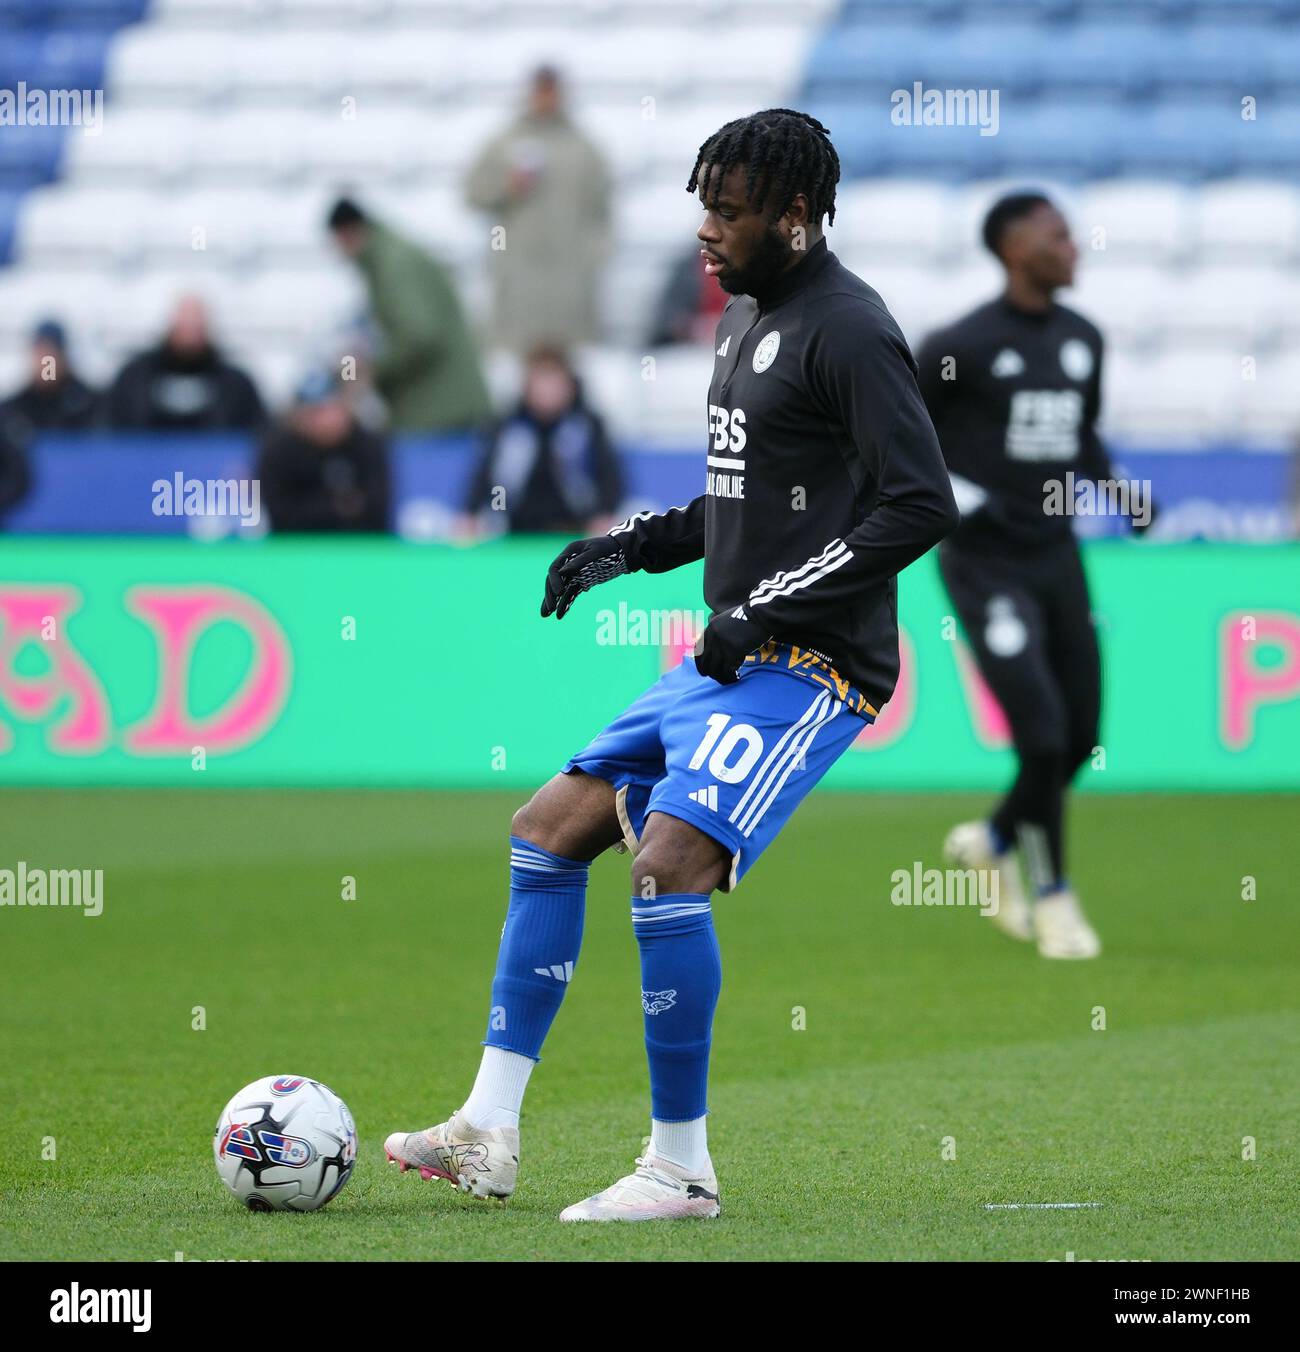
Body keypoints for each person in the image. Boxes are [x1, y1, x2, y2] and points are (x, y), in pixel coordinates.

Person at [384, 109, 958, 1221]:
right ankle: (486, 1126)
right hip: (731, 651)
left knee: (668, 866)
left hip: (813, 665)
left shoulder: (850, 328)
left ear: (794, 217)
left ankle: (680, 1167)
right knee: (545, 828)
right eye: (703, 205)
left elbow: (917, 502)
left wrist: (769, 605)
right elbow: (753, 497)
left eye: (727, 211)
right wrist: (634, 546)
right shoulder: (743, 317)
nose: (704, 230)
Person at [916, 192, 1153, 962]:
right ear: (1017, 251)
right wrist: (948, 497)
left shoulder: (1083, 338)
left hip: (1057, 556)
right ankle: (1053, 898)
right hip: (984, 562)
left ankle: (991, 839)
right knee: (1042, 733)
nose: (1074, 247)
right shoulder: (962, 344)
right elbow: (898, 433)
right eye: (1058, 237)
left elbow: (1079, 434)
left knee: (1080, 738)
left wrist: (1119, 495)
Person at [464, 65, 612, 352]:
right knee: (516, 355)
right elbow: (473, 194)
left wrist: (593, 256)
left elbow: (602, 210)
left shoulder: (583, 148)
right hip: (519, 275)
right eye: (541, 91)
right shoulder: (503, 143)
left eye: (552, 91)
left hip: (569, 276)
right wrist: (506, 186)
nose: (547, 99)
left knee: (570, 358)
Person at [327, 197, 491, 435]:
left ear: (346, 234)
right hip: (442, 401)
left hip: (439, 408)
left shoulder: (394, 265)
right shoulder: (390, 257)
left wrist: (373, 369)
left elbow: (419, 335)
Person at [461, 346, 623, 535]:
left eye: (553, 382)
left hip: (575, 531)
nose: (546, 391)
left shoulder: (588, 427)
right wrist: (471, 514)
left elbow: (611, 478)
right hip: (516, 533)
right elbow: (484, 477)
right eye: (540, 381)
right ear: (526, 387)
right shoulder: (508, 428)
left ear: (569, 386)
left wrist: (604, 514)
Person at [256, 371, 390, 533]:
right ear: (298, 418)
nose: (324, 420)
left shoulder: (367, 445)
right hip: (297, 548)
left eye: (329, 410)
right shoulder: (279, 450)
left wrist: (315, 509)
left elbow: (376, 509)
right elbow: (279, 513)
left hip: (357, 546)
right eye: (313, 412)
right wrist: (338, 507)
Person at [106, 295, 264, 431]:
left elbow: (259, 434)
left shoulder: (237, 385)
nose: (190, 329)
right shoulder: (134, 379)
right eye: (185, 322)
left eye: (196, 322)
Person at [0, 319, 100, 443]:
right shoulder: (15, 408)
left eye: (50, 356)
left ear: (63, 357)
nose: (45, 364)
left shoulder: (88, 404)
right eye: (40, 354)